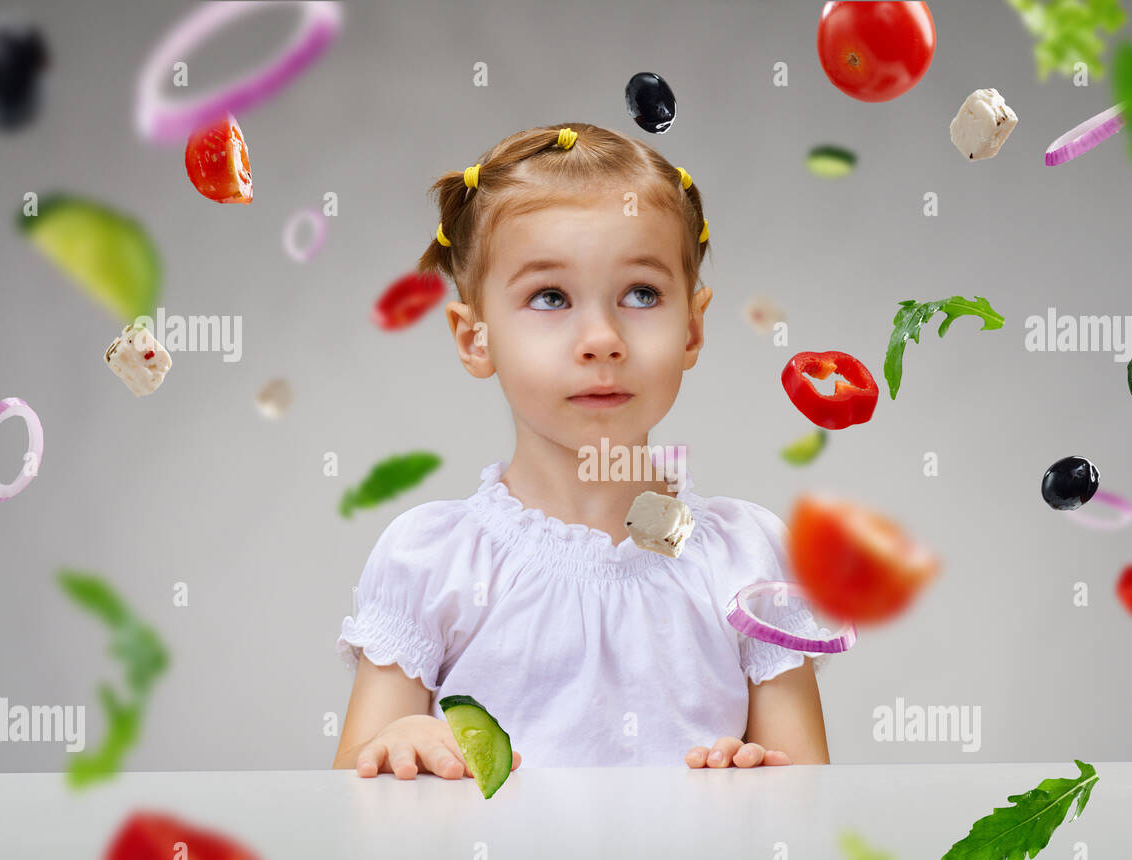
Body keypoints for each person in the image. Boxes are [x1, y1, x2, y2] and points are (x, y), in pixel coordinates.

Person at [333, 123, 835, 778]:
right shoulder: (432, 564)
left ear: (692, 326)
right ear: (473, 337)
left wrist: (757, 777)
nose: (601, 339)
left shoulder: (747, 560)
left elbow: (809, 805)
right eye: (550, 297)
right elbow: (350, 805)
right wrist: (402, 743)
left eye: (642, 294)